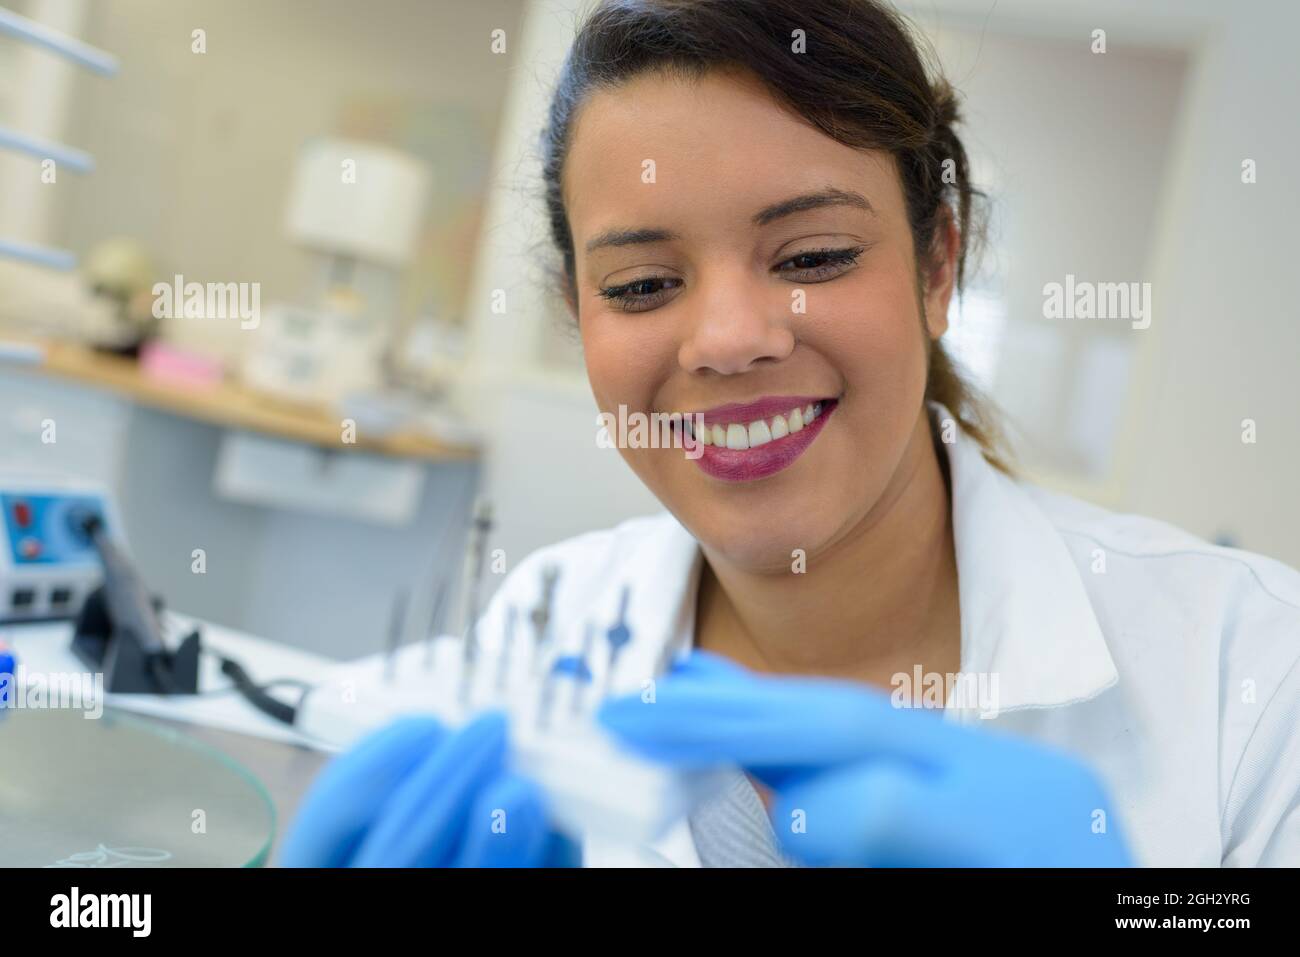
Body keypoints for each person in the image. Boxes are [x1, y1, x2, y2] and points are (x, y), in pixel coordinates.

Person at [281, 0, 1300, 868]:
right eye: (641, 285)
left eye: (810, 258)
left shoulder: (1252, 673)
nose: (727, 341)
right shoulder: (547, 618)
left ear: (936, 265)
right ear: (578, 308)